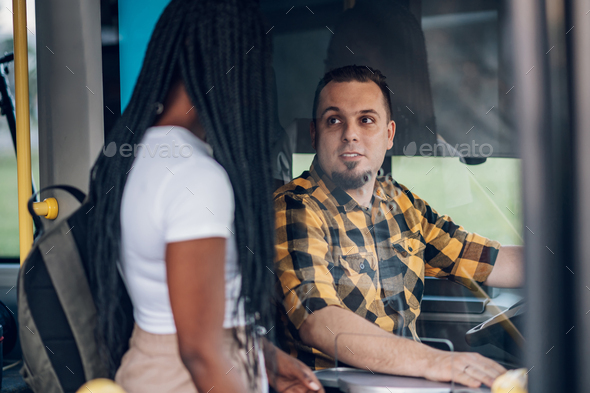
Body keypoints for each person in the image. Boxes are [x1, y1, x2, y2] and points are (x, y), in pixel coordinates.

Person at [87, 1, 323, 392]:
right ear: (233, 69)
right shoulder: (196, 177)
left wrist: (258, 356)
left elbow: (175, 310)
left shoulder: (136, 156)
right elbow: (200, 351)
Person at [273, 65, 524, 389]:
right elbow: (318, 319)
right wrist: (436, 361)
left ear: (389, 134)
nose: (350, 133)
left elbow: (486, 260)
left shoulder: (400, 203)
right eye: (334, 120)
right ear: (314, 134)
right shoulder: (295, 206)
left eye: (366, 120)